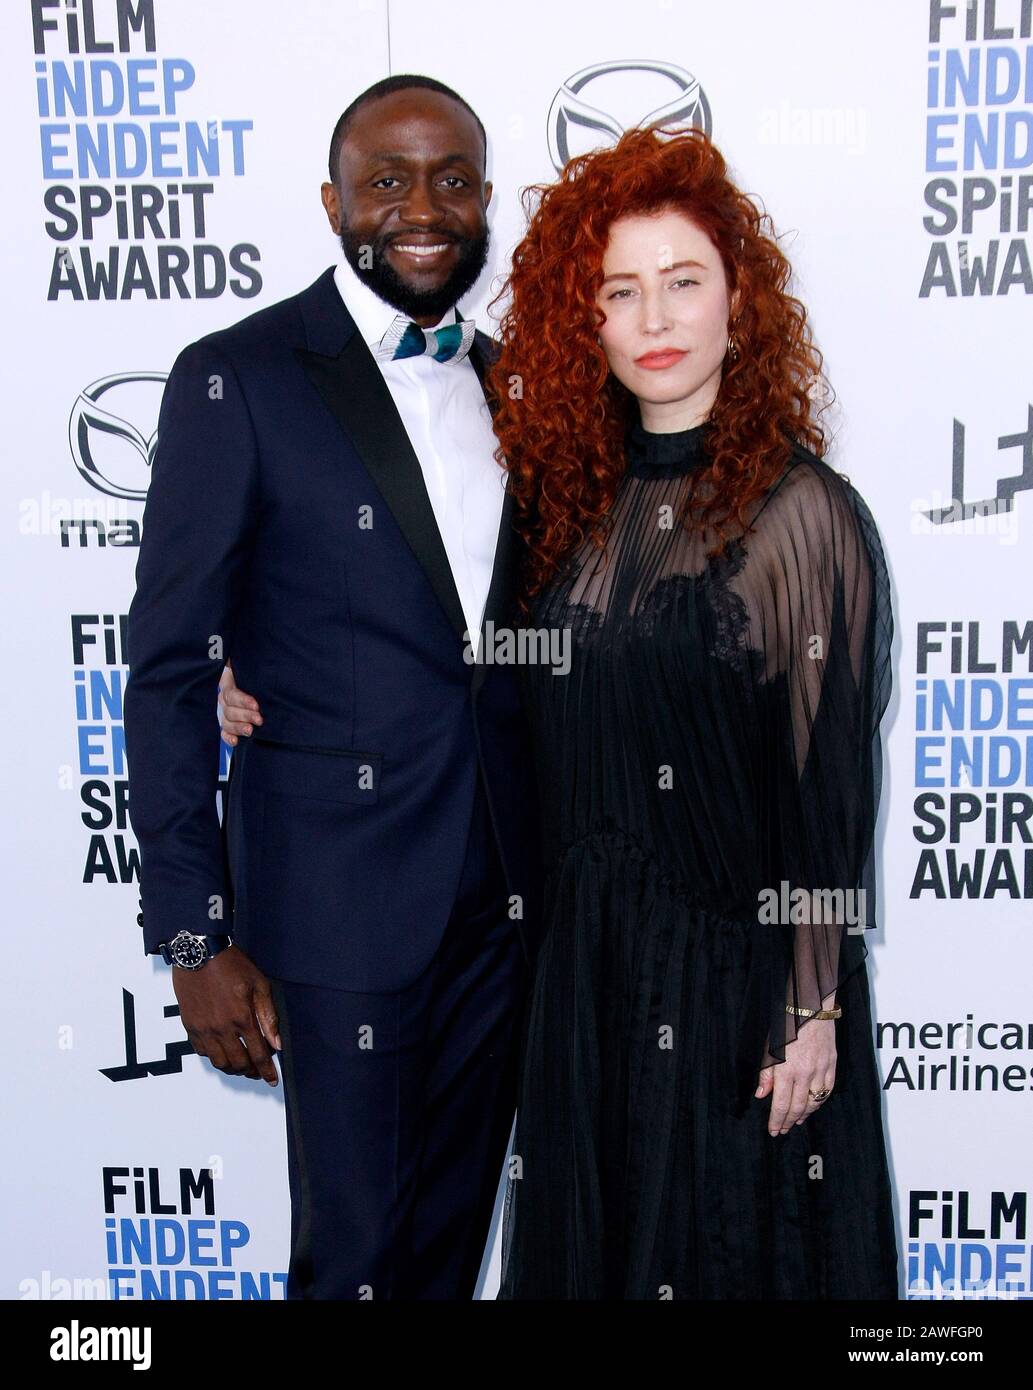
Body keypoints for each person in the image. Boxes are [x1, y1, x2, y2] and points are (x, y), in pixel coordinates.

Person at [222, 123, 899, 1299]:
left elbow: (829, 786)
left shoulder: (806, 517)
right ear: (585, 321)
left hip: (737, 989)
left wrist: (813, 1001)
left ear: (741, 305)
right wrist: (249, 671)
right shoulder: (554, 508)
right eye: (620, 291)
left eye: (683, 283)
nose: (654, 319)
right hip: (577, 982)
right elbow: (439, 653)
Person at [124, 74, 541, 1300]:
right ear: (331, 203)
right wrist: (193, 935)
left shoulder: (521, 387)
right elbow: (164, 673)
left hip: (511, 902)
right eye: (388, 180)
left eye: (453, 179)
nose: (423, 206)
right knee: (354, 1257)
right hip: (336, 904)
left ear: (484, 205)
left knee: (449, 1248)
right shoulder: (238, 377)